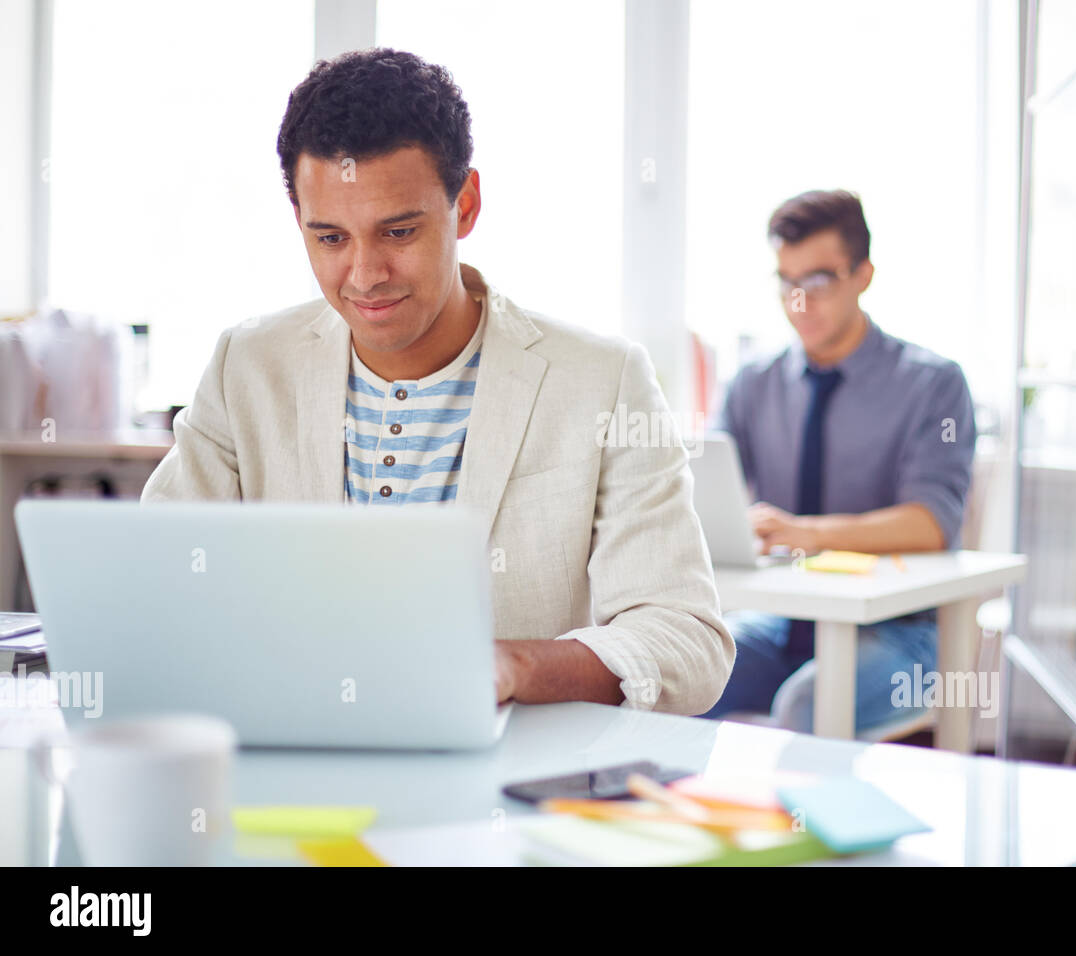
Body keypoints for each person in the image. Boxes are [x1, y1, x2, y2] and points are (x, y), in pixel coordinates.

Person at [140, 48, 733, 716]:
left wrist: (515, 666)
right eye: (330, 238)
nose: (364, 274)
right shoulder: (247, 367)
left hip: (507, 790)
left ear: (466, 204)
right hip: (291, 770)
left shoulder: (601, 381)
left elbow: (687, 640)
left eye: (399, 231)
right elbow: (158, 584)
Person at [702, 189, 976, 734]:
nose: (799, 301)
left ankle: (802, 822)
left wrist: (804, 532)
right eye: (787, 281)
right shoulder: (752, 384)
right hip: (785, 620)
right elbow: (709, 491)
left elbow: (931, 523)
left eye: (819, 281)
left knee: (806, 707)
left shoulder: (933, 384)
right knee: (678, 683)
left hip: (901, 633)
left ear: (863, 274)